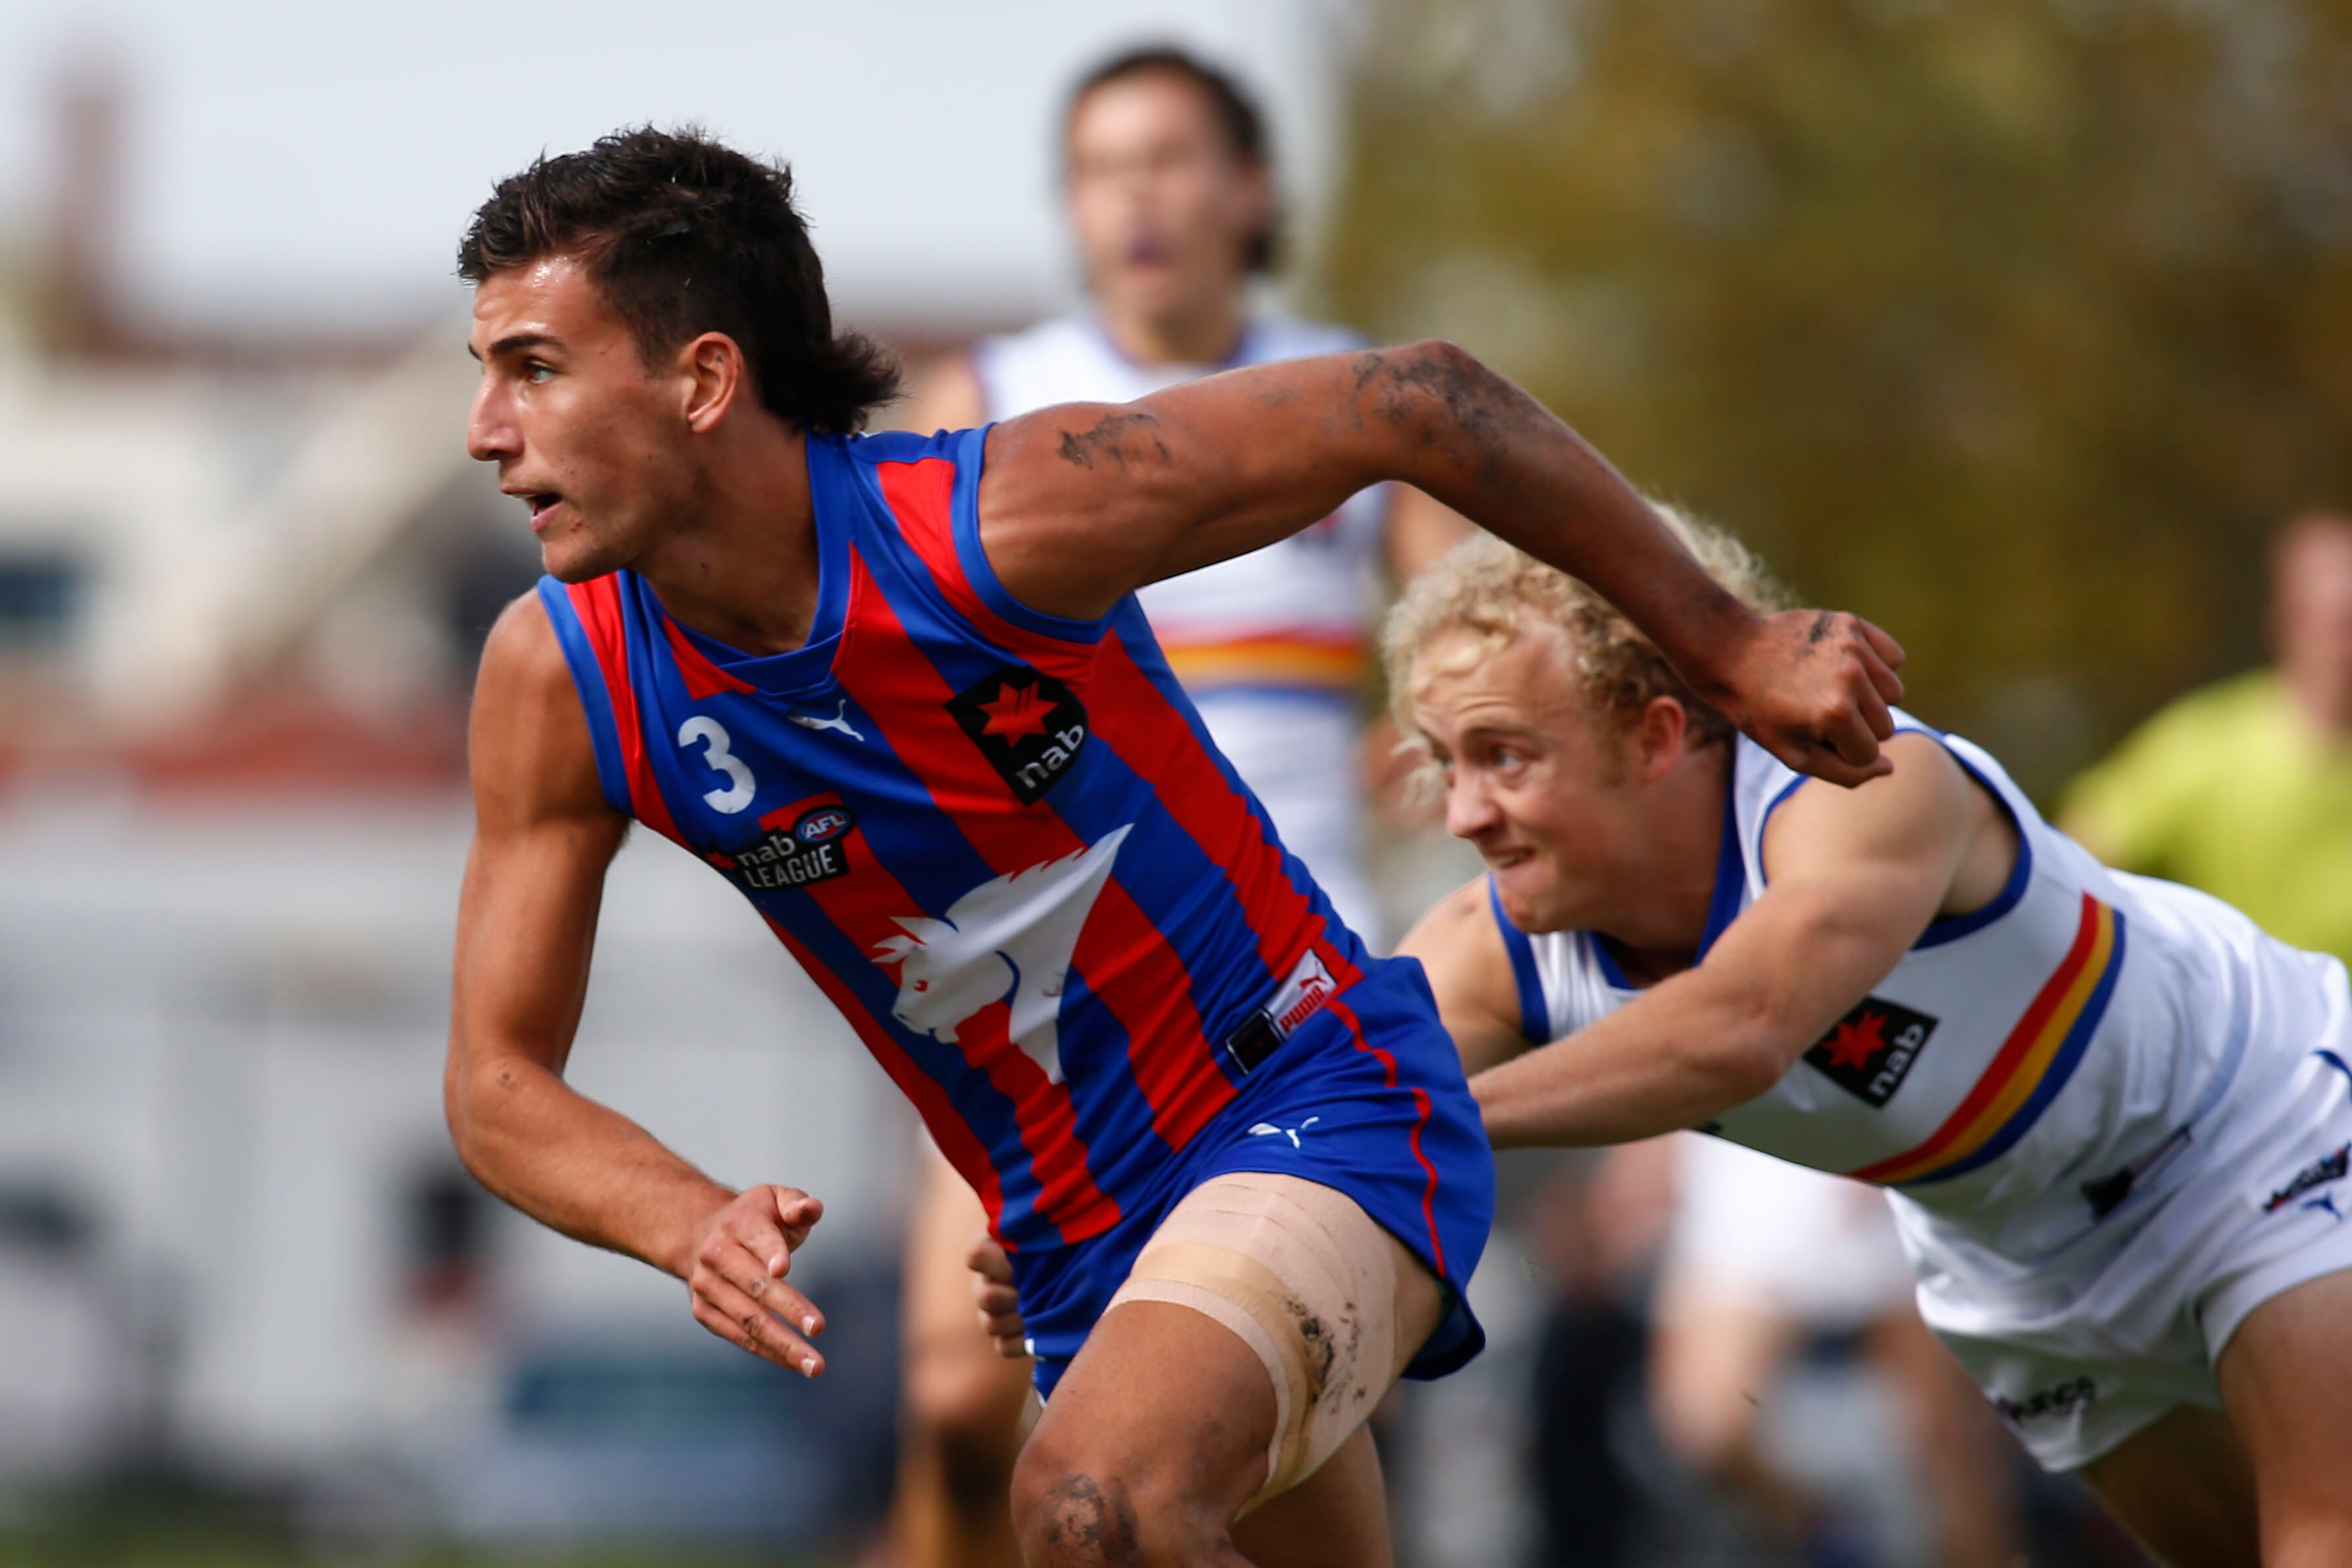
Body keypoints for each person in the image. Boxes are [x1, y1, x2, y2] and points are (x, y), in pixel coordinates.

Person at [439, 127, 1903, 1568]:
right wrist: (684, 1217)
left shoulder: (1000, 518)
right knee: (1077, 1489)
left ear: (702, 380)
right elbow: (495, 1082)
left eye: (534, 368)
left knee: (1091, 1504)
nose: (486, 431)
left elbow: (1417, 397)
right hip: (1069, 1242)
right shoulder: (557, 678)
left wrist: (1727, 644)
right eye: (487, 373)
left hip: (1314, 1097)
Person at [1369, 520, 2352, 1566]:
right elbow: (1330, 1111)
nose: (1464, 814)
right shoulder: (1486, 951)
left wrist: (1437, 1114)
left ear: (1654, 737)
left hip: (2246, 1119)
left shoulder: (1861, 780)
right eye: (1444, 761)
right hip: (2011, 1254)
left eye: (1504, 756)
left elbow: (1741, 1027)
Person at [890, 47, 1466, 1568]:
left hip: (1280, 966)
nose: (1130, 199)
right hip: (1046, 964)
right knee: (957, 1394)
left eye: (1164, 159)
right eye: (1097, 169)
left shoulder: (1345, 396)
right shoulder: (991, 398)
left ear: (1248, 190)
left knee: (1258, 1413)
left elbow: (1475, 629)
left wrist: (1436, 731)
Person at [2063, 511, 2352, 965]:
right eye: (2338, 624)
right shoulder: (2203, 747)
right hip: (2256, 1009)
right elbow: (2073, 861)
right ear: (2284, 622)